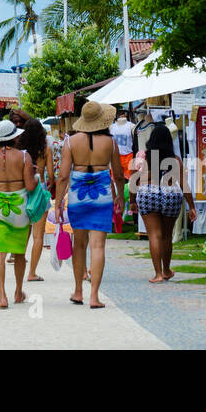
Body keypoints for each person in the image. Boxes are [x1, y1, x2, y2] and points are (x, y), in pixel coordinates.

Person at [56, 101, 125, 308]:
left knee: (79, 244)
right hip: (102, 192)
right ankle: (94, 296)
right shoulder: (110, 143)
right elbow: (119, 175)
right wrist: (120, 196)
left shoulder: (70, 142)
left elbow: (63, 176)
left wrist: (58, 202)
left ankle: (78, 291)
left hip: (77, 193)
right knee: (98, 246)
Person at [0, 120, 35, 308]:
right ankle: (18, 292)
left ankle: (2, 296)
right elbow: (29, 186)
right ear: (15, 137)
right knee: (19, 253)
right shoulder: (25, 157)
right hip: (20, 208)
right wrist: (36, 177)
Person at [134, 123, 196, 283]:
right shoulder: (175, 160)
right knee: (167, 235)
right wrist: (192, 206)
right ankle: (167, 270)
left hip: (148, 192)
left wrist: (131, 201)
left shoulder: (144, 157)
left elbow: (135, 180)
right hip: (170, 194)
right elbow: (184, 184)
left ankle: (158, 274)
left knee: (154, 235)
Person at [15, 111, 51, 282]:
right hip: (40, 189)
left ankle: (18, 260)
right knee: (38, 235)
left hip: (23, 189)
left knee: (23, 231)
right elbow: (51, 175)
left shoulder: (19, 151)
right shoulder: (46, 150)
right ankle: (32, 272)